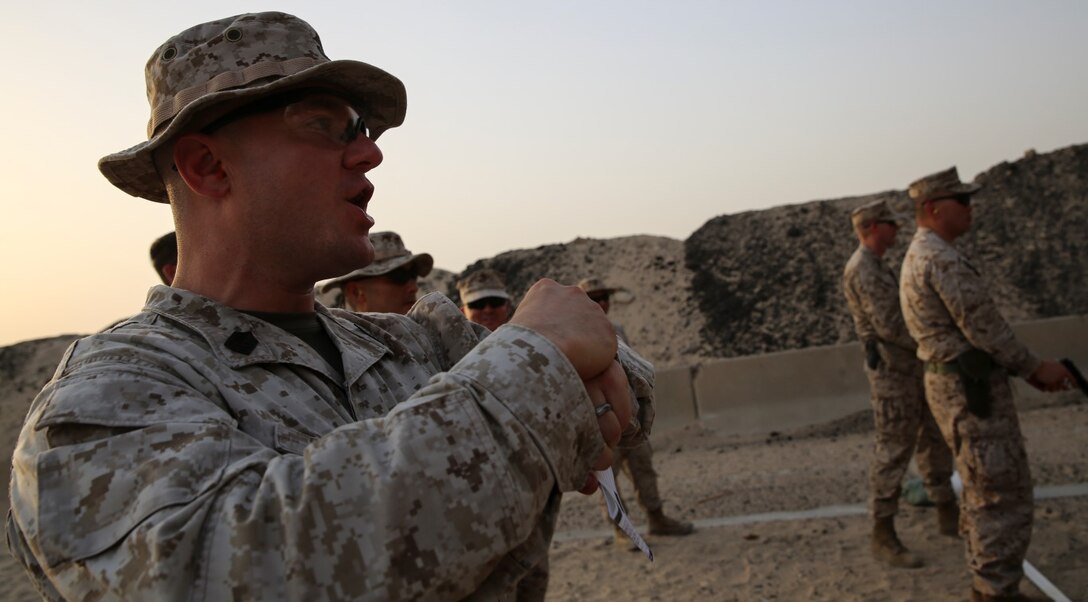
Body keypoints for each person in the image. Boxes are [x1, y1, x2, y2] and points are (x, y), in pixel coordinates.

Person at [6, 12, 655, 600]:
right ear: (207, 165)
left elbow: (632, 399)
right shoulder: (105, 397)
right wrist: (539, 361)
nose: (370, 152)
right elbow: (249, 568)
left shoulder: (415, 343)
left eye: (363, 129)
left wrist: (560, 353)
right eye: (323, 124)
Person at [900, 167, 1075, 602]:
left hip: (960, 387)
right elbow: (985, 329)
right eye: (962, 201)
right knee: (1000, 494)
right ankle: (995, 592)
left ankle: (991, 586)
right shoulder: (939, 258)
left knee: (984, 489)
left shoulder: (924, 253)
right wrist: (1035, 368)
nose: (970, 209)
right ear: (933, 207)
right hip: (970, 392)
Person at [842, 199, 957, 569]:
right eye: (890, 223)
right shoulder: (864, 269)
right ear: (874, 227)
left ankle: (947, 512)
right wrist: (931, 340)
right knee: (893, 450)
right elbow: (890, 325)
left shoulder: (878, 266)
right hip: (893, 375)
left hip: (910, 369)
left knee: (932, 441)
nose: (897, 229)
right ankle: (883, 533)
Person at [579, 277, 694, 546]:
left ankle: (657, 518)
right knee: (608, 478)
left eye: (604, 297)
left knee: (643, 467)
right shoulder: (576, 335)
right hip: (601, 418)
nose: (602, 303)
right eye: (594, 298)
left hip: (629, 414)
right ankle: (623, 530)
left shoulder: (617, 329)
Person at [319, 230, 433, 313]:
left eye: (413, 275)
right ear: (356, 293)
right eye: (399, 276)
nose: (414, 288)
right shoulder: (333, 344)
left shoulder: (427, 340)